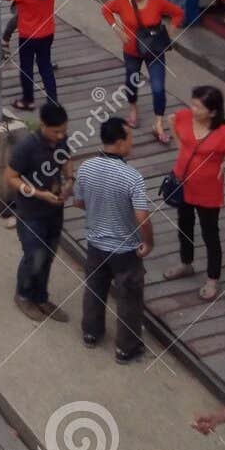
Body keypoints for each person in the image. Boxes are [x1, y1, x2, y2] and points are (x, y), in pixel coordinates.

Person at [73, 117, 152, 362]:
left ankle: (91, 333)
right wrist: (148, 242)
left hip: (95, 244)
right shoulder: (132, 178)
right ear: (119, 143)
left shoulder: (85, 167)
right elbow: (142, 217)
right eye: (130, 138)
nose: (132, 142)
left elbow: (78, 202)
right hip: (125, 250)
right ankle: (126, 348)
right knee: (129, 298)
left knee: (95, 289)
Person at [5, 100, 72, 322]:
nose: (61, 136)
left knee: (48, 256)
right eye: (56, 132)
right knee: (34, 256)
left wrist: (69, 182)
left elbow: (67, 164)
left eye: (64, 131)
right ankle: (23, 295)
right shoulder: (27, 147)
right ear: (42, 126)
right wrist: (37, 193)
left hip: (54, 211)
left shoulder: (61, 142)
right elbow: (10, 178)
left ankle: (41, 297)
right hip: (31, 212)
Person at [164, 84, 225, 302]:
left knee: (209, 233)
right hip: (183, 183)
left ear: (212, 111)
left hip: (208, 190)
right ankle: (186, 262)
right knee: (184, 225)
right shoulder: (184, 117)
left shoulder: (224, 135)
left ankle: (213, 278)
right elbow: (177, 132)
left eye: (198, 106)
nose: (192, 109)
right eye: (193, 104)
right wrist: (177, 141)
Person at [101, 0, 183, 142]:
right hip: (131, 50)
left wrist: (170, 33)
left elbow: (177, 13)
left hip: (154, 50)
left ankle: (159, 123)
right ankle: (133, 108)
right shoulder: (122, 1)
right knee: (131, 80)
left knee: (158, 87)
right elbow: (106, 10)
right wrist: (117, 29)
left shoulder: (157, 2)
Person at [6, 0, 60, 111]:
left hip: (28, 34)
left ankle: (28, 100)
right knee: (45, 66)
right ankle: (52, 100)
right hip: (47, 32)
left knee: (26, 67)